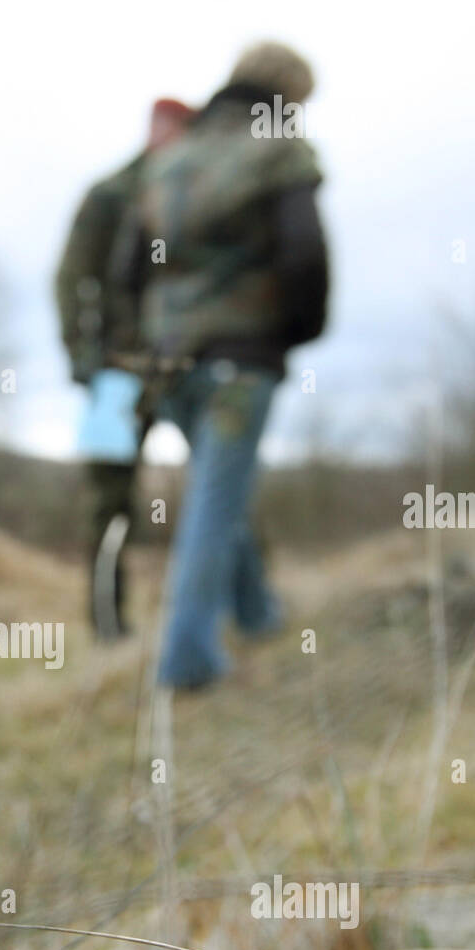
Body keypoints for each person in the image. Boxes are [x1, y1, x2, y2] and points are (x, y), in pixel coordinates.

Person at [115, 42, 329, 689]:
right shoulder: (279, 150)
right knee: (215, 499)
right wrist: (297, 329)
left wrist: (140, 347)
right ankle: (187, 661)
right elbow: (306, 253)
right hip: (242, 356)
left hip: (170, 361)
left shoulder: (167, 161)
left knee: (218, 487)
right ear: (287, 95)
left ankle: (258, 613)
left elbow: (126, 270)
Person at [54, 99, 193, 639]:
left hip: (184, 366)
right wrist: (83, 358)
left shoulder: (198, 199)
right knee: (109, 501)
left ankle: (234, 617)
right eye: (177, 129)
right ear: (157, 129)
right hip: (113, 370)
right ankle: (109, 628)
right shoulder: (110, 195)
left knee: (220, 483)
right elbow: (70, 277)